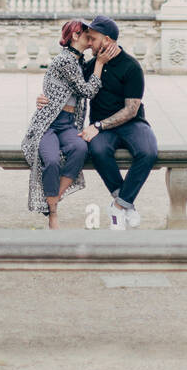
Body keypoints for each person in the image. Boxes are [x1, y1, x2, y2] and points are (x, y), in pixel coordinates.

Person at [35, 14, 156, 229]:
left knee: (148, 151)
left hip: (132, 123)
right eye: (87, 38)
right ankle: (126, 202)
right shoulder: (91, 66)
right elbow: (65, 83)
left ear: (107, 40)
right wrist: (45, 98)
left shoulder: (131, 67)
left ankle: (120, 206)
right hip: (101, 128)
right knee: (98, 152)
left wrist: (98, 126)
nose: (89, 43)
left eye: (93, 39)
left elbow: (131, 110)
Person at [21, 20, 119, 228]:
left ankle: (53, 198)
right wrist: (100, 64)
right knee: (52, 160)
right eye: (86, 33)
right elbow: (87, 91)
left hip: (67, 123)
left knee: (80, 148)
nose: (90, 37)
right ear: (75, 35)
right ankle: (53, 214)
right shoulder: (65, 60)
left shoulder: (79, 61)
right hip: (48, 122)